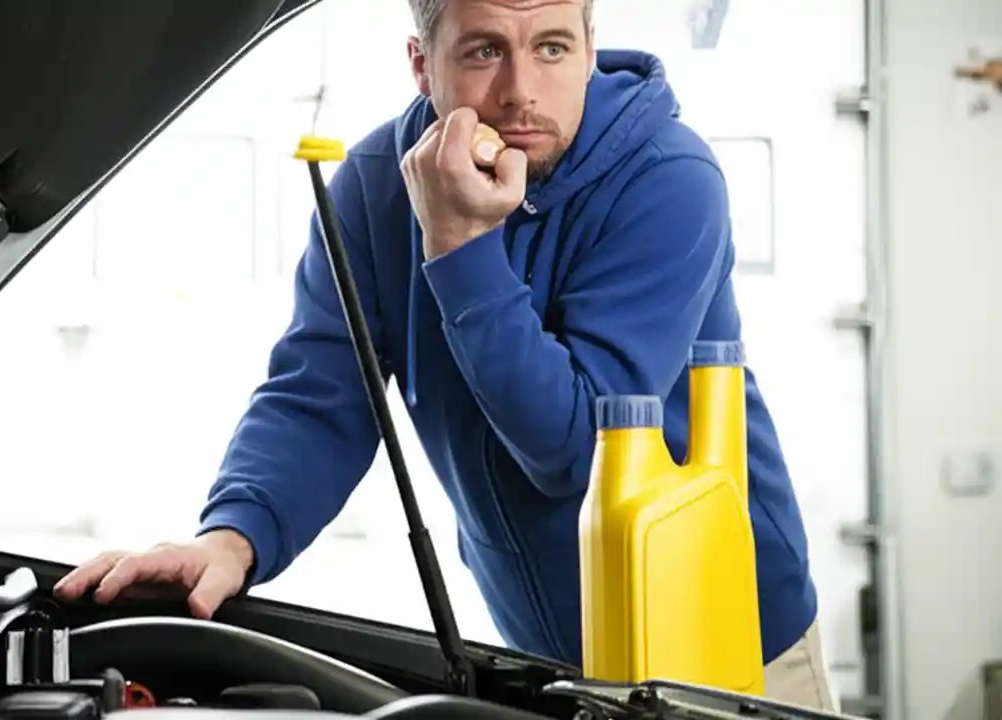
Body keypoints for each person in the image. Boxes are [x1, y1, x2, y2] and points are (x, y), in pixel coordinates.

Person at [55, 0, 832, 710]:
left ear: (592, 49)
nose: (522, 90)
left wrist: (458, 245)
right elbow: (321, 395)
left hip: (726, 638)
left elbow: (579, 453)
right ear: (421, 64)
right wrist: (233, 534)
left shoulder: (668, 179)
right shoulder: (370, 187)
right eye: (485, 51)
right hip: (542, 654)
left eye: (553, 47)